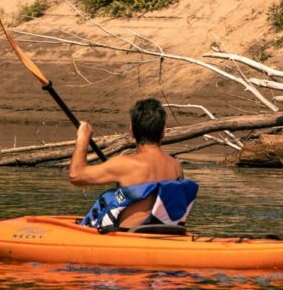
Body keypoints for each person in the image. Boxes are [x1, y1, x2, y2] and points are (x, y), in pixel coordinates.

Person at [70, 98, 195, 232]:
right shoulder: (176, 167)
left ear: (132, 132)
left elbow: (76, 175)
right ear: (163, 132)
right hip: (167, 235)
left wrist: (83, 137)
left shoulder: (125, 164)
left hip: (130, 236)